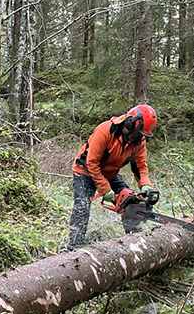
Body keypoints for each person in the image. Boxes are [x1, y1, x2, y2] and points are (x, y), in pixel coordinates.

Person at [67, 104, 159, 250]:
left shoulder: (139, 141)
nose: (140, 137)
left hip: (111, 173)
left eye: (143, 134)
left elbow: (140, 166)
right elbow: (91, 162)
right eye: (138, 133)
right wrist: (105, 189)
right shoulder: (106, 130)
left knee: (131, 201)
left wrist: (146, 185)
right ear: (130, 123)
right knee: (82, 206)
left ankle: (134, 241)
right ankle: (74, 246)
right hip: (84, 170)